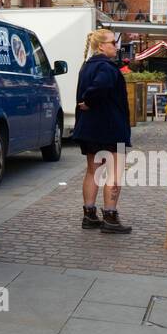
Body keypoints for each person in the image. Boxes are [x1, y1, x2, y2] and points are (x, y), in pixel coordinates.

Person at [71, 28, 132, 234]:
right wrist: (89, 100)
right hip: (110, 128)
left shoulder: (86, 66)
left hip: (90, 129)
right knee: (114, 173)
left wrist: (88, 101)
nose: (116, 46)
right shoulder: (107, 67)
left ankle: (89, 215)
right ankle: (110, 217)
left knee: (93, 171)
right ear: (100, 46)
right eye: (112, 43)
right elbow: (98, 88)